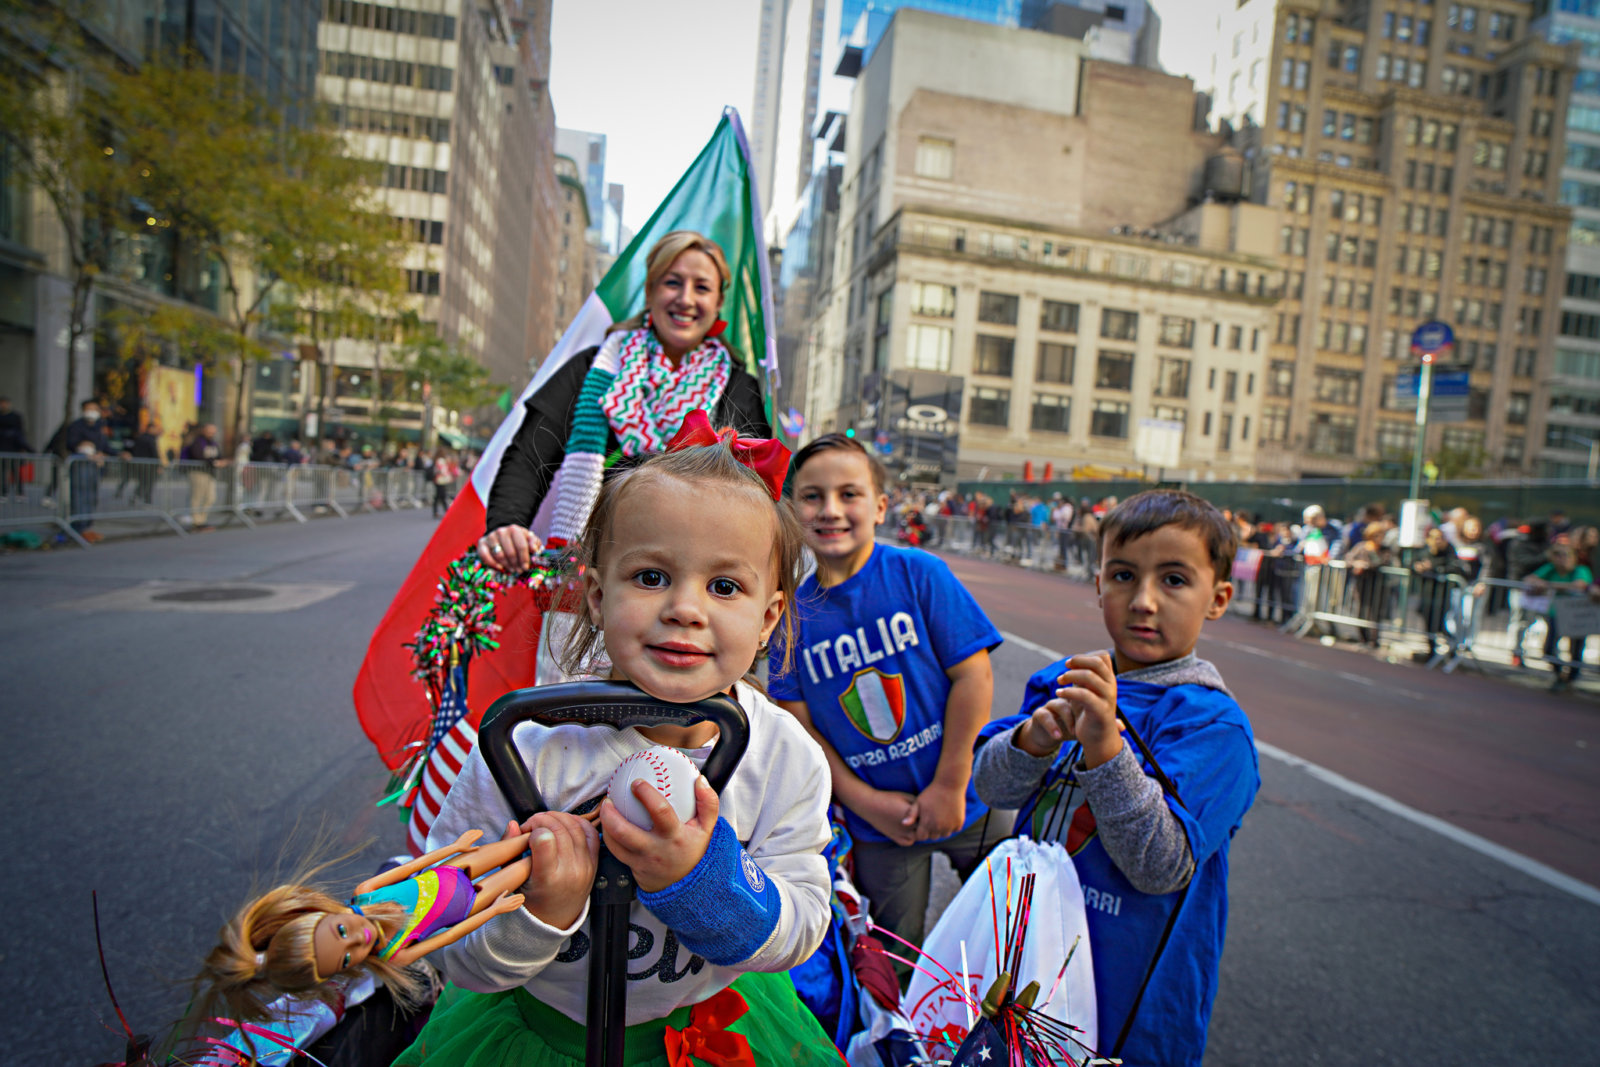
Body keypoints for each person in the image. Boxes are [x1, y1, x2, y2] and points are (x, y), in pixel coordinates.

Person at [395, 425, 839, 1066]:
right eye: (652, 576)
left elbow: (801, 925)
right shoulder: (527, 749)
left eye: (724, 587)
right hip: (540, 1034)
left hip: (700, 1034)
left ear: (768, 618)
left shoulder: (785, 756)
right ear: (598, 597)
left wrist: (703, 884)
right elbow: (456, 950)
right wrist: (541, 909)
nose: (686, 609)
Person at [970, 490, 1259, 1067]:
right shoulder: (1066, 678)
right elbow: (992, 788)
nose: (1144, 601)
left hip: (1130, 1001)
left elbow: (1160, 865)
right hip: (1026, 968)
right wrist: (1033, 741)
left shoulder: (1215, 727)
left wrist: (1106, 748)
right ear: (1099, 583)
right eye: (1124, 575)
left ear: (1218, 598)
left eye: (1174, 580)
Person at [770, 433, 1001, 955]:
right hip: (881, 825)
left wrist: (949, 783)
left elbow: (973, 677)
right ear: (791, 510)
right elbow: (801, 729)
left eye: (848, 494)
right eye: (812, 496)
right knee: (892, 961)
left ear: (879, 506)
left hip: (970, 796)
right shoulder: (789, 617)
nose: (830, 510)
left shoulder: (920, 574)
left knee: (1015, 937)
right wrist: (865, 803)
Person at [476, 231, 770, 573]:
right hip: (590, 575)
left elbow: (757, 491)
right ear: (650, 291)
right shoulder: (593, 367)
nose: (686, 299)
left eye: (702, 288)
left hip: (690, 582)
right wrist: (507, 524)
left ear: (719, 303)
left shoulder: (738, 388)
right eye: (672, 283)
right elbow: (529, 456)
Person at [193, 828, 533, 1031]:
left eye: (340, 932)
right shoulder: (393, 954)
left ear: (321, 913)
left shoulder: (367, 891)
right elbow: (449, 935)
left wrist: (454, 848)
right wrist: (495, 909)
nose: (357, 939)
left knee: (523, 843)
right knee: (531, 866)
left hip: (455, 868)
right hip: (467, 904)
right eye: (346, 959)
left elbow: (414, 867)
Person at [1525, 541, 1594, 690]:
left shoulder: (1580, 570)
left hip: (1579, 616)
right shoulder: (1551, 569)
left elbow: (1579, 585)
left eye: (1566, 555)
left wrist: (1548, 585)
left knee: (1575, 650)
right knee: (1549, 648)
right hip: (1556, 613)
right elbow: (1529, 579)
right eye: (1558, 555)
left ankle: (1570, 679)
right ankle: (1559, 674)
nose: (1562, 559)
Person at [1411, 526, 1466, 661]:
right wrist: (1417, 567)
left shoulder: (1449, 550)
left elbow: (1456, 567)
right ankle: (1431, 650)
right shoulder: (1424, 550)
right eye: (1434, 538)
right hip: (1427, 592)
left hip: (1442, 593)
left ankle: (1453, 648)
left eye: (1440, 538)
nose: (1438, 541)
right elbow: (1411, 564)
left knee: (1441, 624)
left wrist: (1435, 568)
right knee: (1428, 622)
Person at [65, 399, 112, 540]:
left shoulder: (99, 427)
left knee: (91, 497)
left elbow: (105, 446)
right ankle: (78, 528)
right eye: (88, 408)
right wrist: (84, 446)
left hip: (95, 467)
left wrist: (121, 453)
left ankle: (86, 527)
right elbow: (71, 444)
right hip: (81, 466)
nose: (91, 412)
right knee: (80, 497)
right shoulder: (76, 426)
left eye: (94, 409)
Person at [181, 423, 225, 531]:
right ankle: (196, 521)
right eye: (209, 431)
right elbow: (197, 456)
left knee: (211, 497)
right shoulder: (197, 442)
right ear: (203, 430)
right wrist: (214, 462)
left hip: (210, 473)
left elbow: (219, 455)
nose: (211, 433)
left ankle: (202, 519)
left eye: (213, 431)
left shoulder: (214, 443)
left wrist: (222, 462)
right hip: (197, 472)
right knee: (197, 497)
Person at [0, 395, 33, 499]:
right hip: (2, 449)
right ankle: (3, 493)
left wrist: (23, 448)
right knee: (2, 472)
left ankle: (20, 492)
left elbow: (20, 434)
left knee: (16, 472)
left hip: (14, 449)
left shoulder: (16, 417)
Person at [431, 448, 459, 518]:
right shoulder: (441, 460)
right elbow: (443, 470)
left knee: (439, 496)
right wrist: (448, 477)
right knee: (441, 496)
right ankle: (446, 511)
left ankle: (439, 511)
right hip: (440, 480)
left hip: (440, 480)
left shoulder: (439, 460)